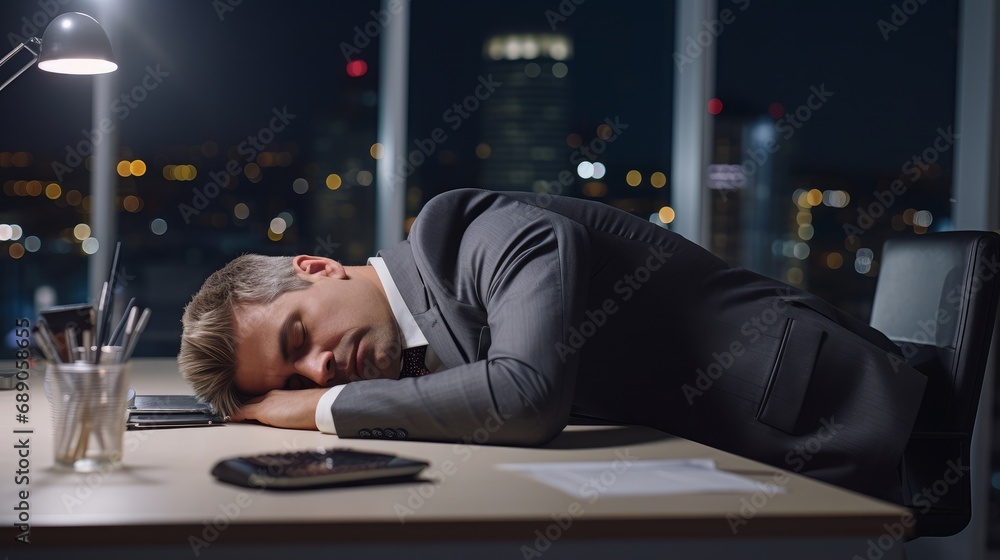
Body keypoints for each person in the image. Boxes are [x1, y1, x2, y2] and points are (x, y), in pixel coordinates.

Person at [179, 188, 927, 503]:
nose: (318, 369)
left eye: (299, 336)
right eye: (295, 376)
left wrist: (310, 412)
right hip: (727, 459)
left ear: (315, 267)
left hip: (833, 413)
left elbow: (527, 398)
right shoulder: (424, 332)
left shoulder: (478, 235)